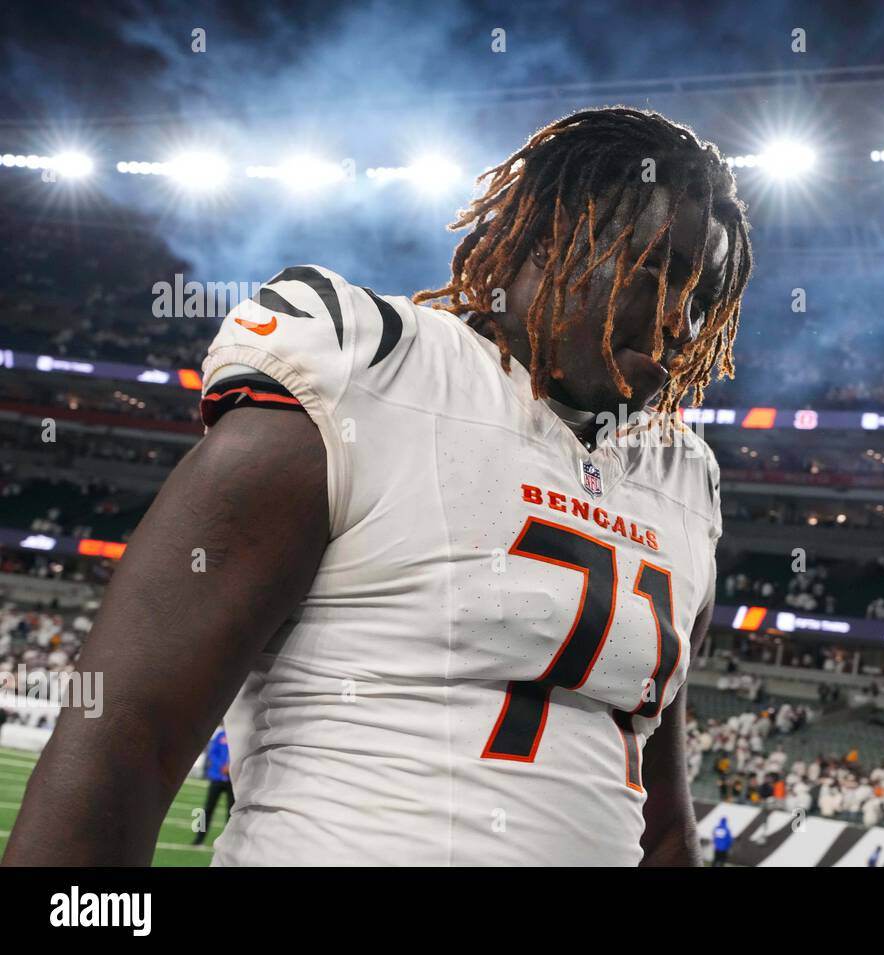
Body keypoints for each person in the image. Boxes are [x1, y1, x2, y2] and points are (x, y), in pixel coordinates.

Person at [3, 107, 754, 867]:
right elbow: (128, 732)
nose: (684, 325)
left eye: (703, 300)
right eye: (660, 273)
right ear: (548, 239)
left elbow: (661, 824)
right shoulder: (371, 371)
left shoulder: (682, 480)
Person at [193, 726, 233, 846]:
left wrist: (232, 767)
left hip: (233, 780)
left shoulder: (240, 736)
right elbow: (212, 753)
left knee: (232, 812)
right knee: (207, 809)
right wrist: (222, 766)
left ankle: (228, 842)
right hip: (217, 777)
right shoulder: (220, 735)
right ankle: (199, 838)